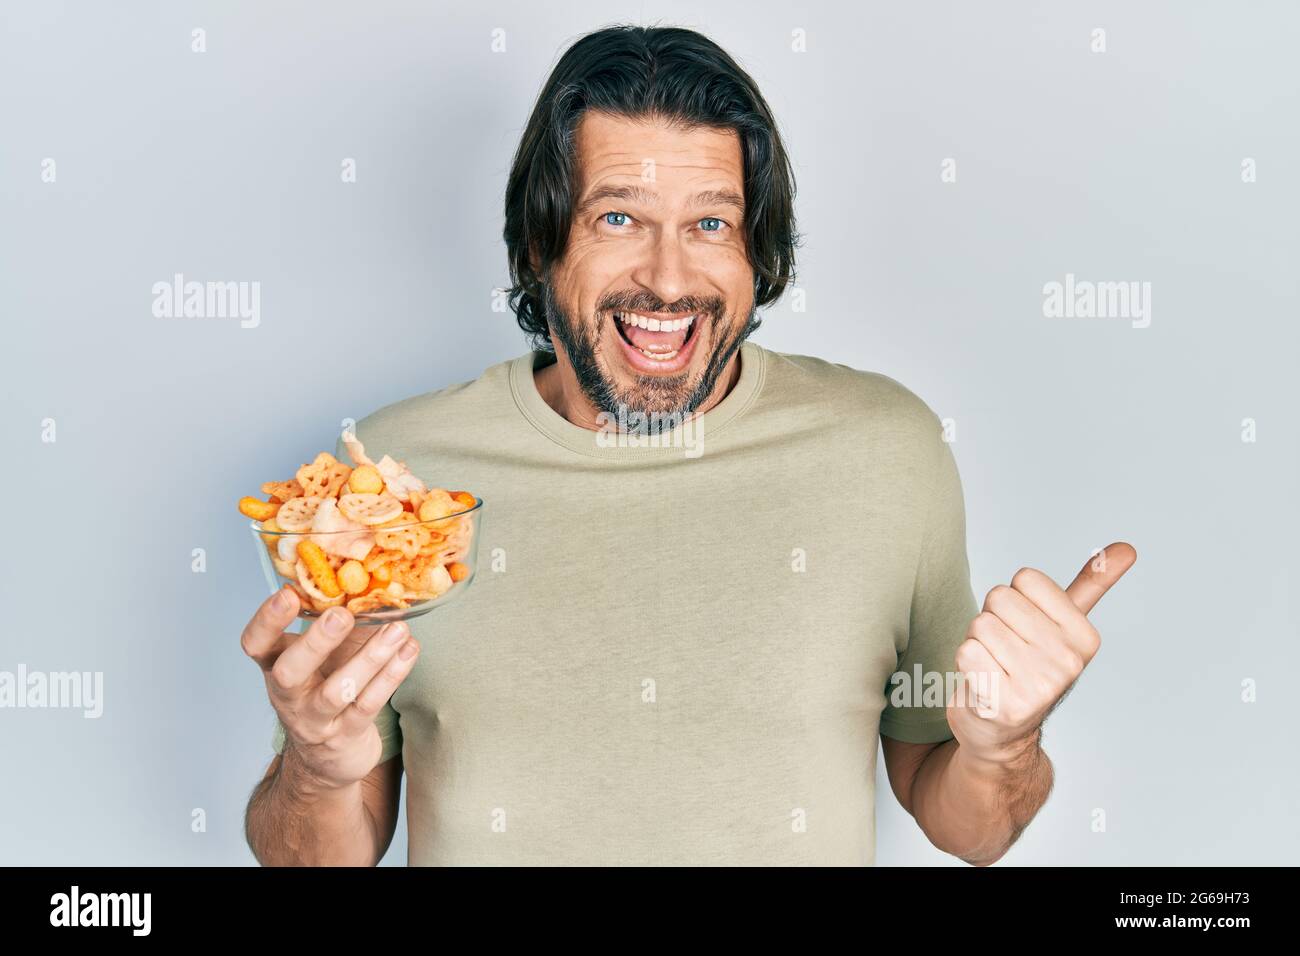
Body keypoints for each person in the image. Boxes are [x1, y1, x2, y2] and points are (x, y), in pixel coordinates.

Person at [243, 24, 1135, 866]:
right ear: (535, 247)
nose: (668, 280)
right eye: (618, 219)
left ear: (759, 254)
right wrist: (317, 771)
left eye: (711, 223)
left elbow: (967, 829)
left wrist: (1004, 747)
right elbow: (320, 851)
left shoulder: (888, 452)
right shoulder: (391, 489)